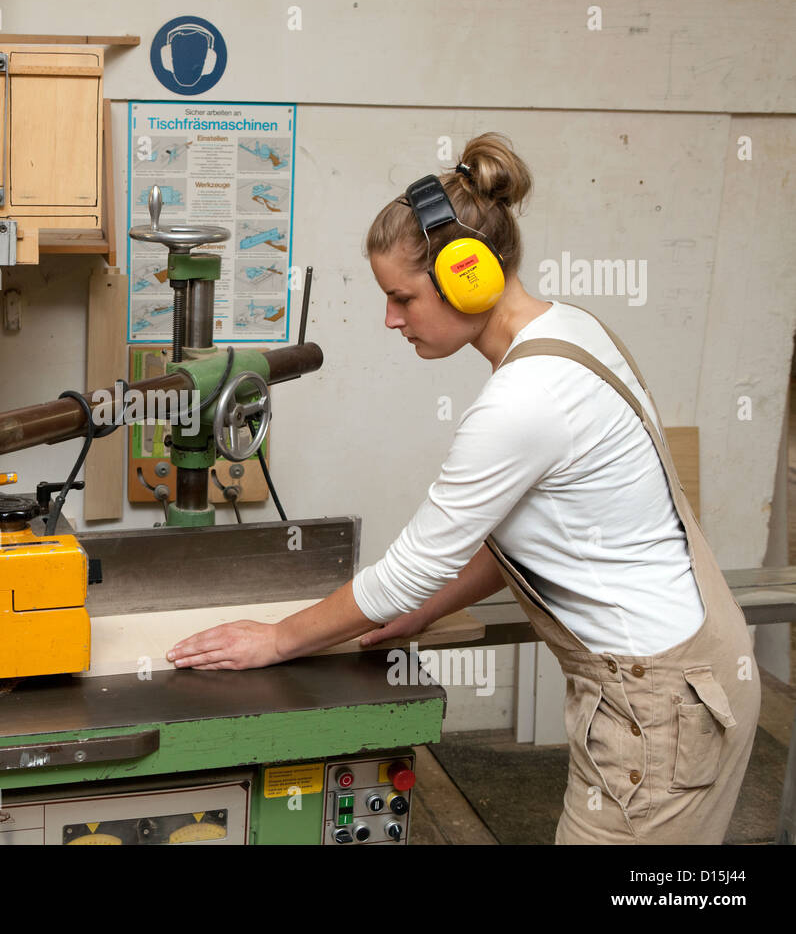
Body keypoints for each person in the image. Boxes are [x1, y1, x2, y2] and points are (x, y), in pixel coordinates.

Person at [166, 132, 760, 844]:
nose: (390, 320)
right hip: (699, 673)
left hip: (656, 709)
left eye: (402, 298)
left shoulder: (523, 400)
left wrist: (277, 639)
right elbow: (515, 532)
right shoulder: (570, 334)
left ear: (466, 276)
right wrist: (424, 612)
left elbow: (411, 569)